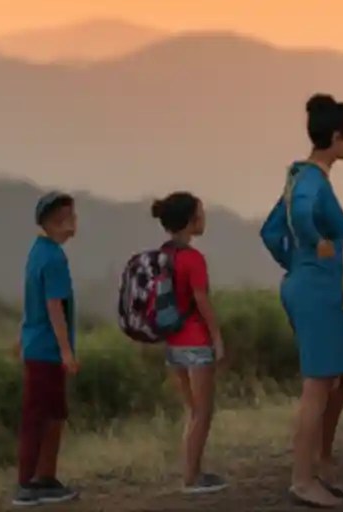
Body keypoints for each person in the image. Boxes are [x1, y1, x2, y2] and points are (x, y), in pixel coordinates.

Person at [260, 93, 343, 509]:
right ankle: (303, 479)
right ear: (336, 137)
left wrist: (295, 260)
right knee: (318, 385)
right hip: (313, 290)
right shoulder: (310, 183)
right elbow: (300, 215)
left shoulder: (302, 177)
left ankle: (321, 457)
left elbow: (269, 231)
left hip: (312, 284)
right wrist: (314, 246)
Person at [152, 192, 228, 495]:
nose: (204, 217)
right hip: (196, 342)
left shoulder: (164, 256)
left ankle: (191, 471)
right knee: (202, 413)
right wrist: (217, 339)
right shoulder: (193, 259)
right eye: (200, 213)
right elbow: (202, 301)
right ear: (190, 221)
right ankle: (192, 478)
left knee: (192, 412)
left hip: (173, 343)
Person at [13, 191, 81, 507]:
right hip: (46, 350)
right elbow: (55, 306)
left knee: (53, 415)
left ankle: (45, 478)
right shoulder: (54, 258)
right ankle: (27, 484)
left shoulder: (37, 251)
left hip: (35, 345)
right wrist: (66, 351)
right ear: (56, 222)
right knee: (39, 417)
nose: (74, 224)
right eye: (69, 218)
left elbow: (32, 301)